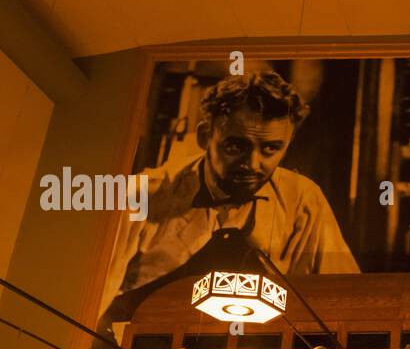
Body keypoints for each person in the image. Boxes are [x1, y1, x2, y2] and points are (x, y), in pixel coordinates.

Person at [100, 70, 358, 327]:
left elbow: (342, 299)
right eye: (236, 146)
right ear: (205, 136)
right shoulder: (140, 195)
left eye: (271, 148)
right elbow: (92, 301)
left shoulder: (302, 199)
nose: (252, 164)